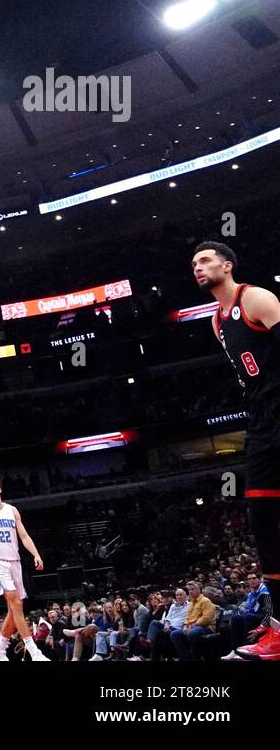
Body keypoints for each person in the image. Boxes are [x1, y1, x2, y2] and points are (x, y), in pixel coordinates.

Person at [194, 241, 280, 658]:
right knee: (263, 520)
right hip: (261, 421)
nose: (198, 266)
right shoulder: (216, 321)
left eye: (206, 260)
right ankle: (279, 626)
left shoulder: (256, 298)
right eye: (194, 263)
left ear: (227, 266)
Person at [0, 475, 49, 661]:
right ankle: (35, 652)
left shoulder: (12, 510)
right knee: (16, 602)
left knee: (14, 609)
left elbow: (24, 536)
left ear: (0, 489)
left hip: (15, 560)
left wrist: (36, 554)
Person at [170, 581, 218, 661]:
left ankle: (196, 658)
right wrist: (185, 625)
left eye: (193, 589)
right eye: (189, 590)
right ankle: (186, 658)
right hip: (192, 627)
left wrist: (194, 625)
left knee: (192, 632)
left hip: (206, 627)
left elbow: (207, 618)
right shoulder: (192, 603)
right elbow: (188, 618)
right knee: (175, 634)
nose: (190, 591)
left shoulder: (205, 601)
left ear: (199, 589)